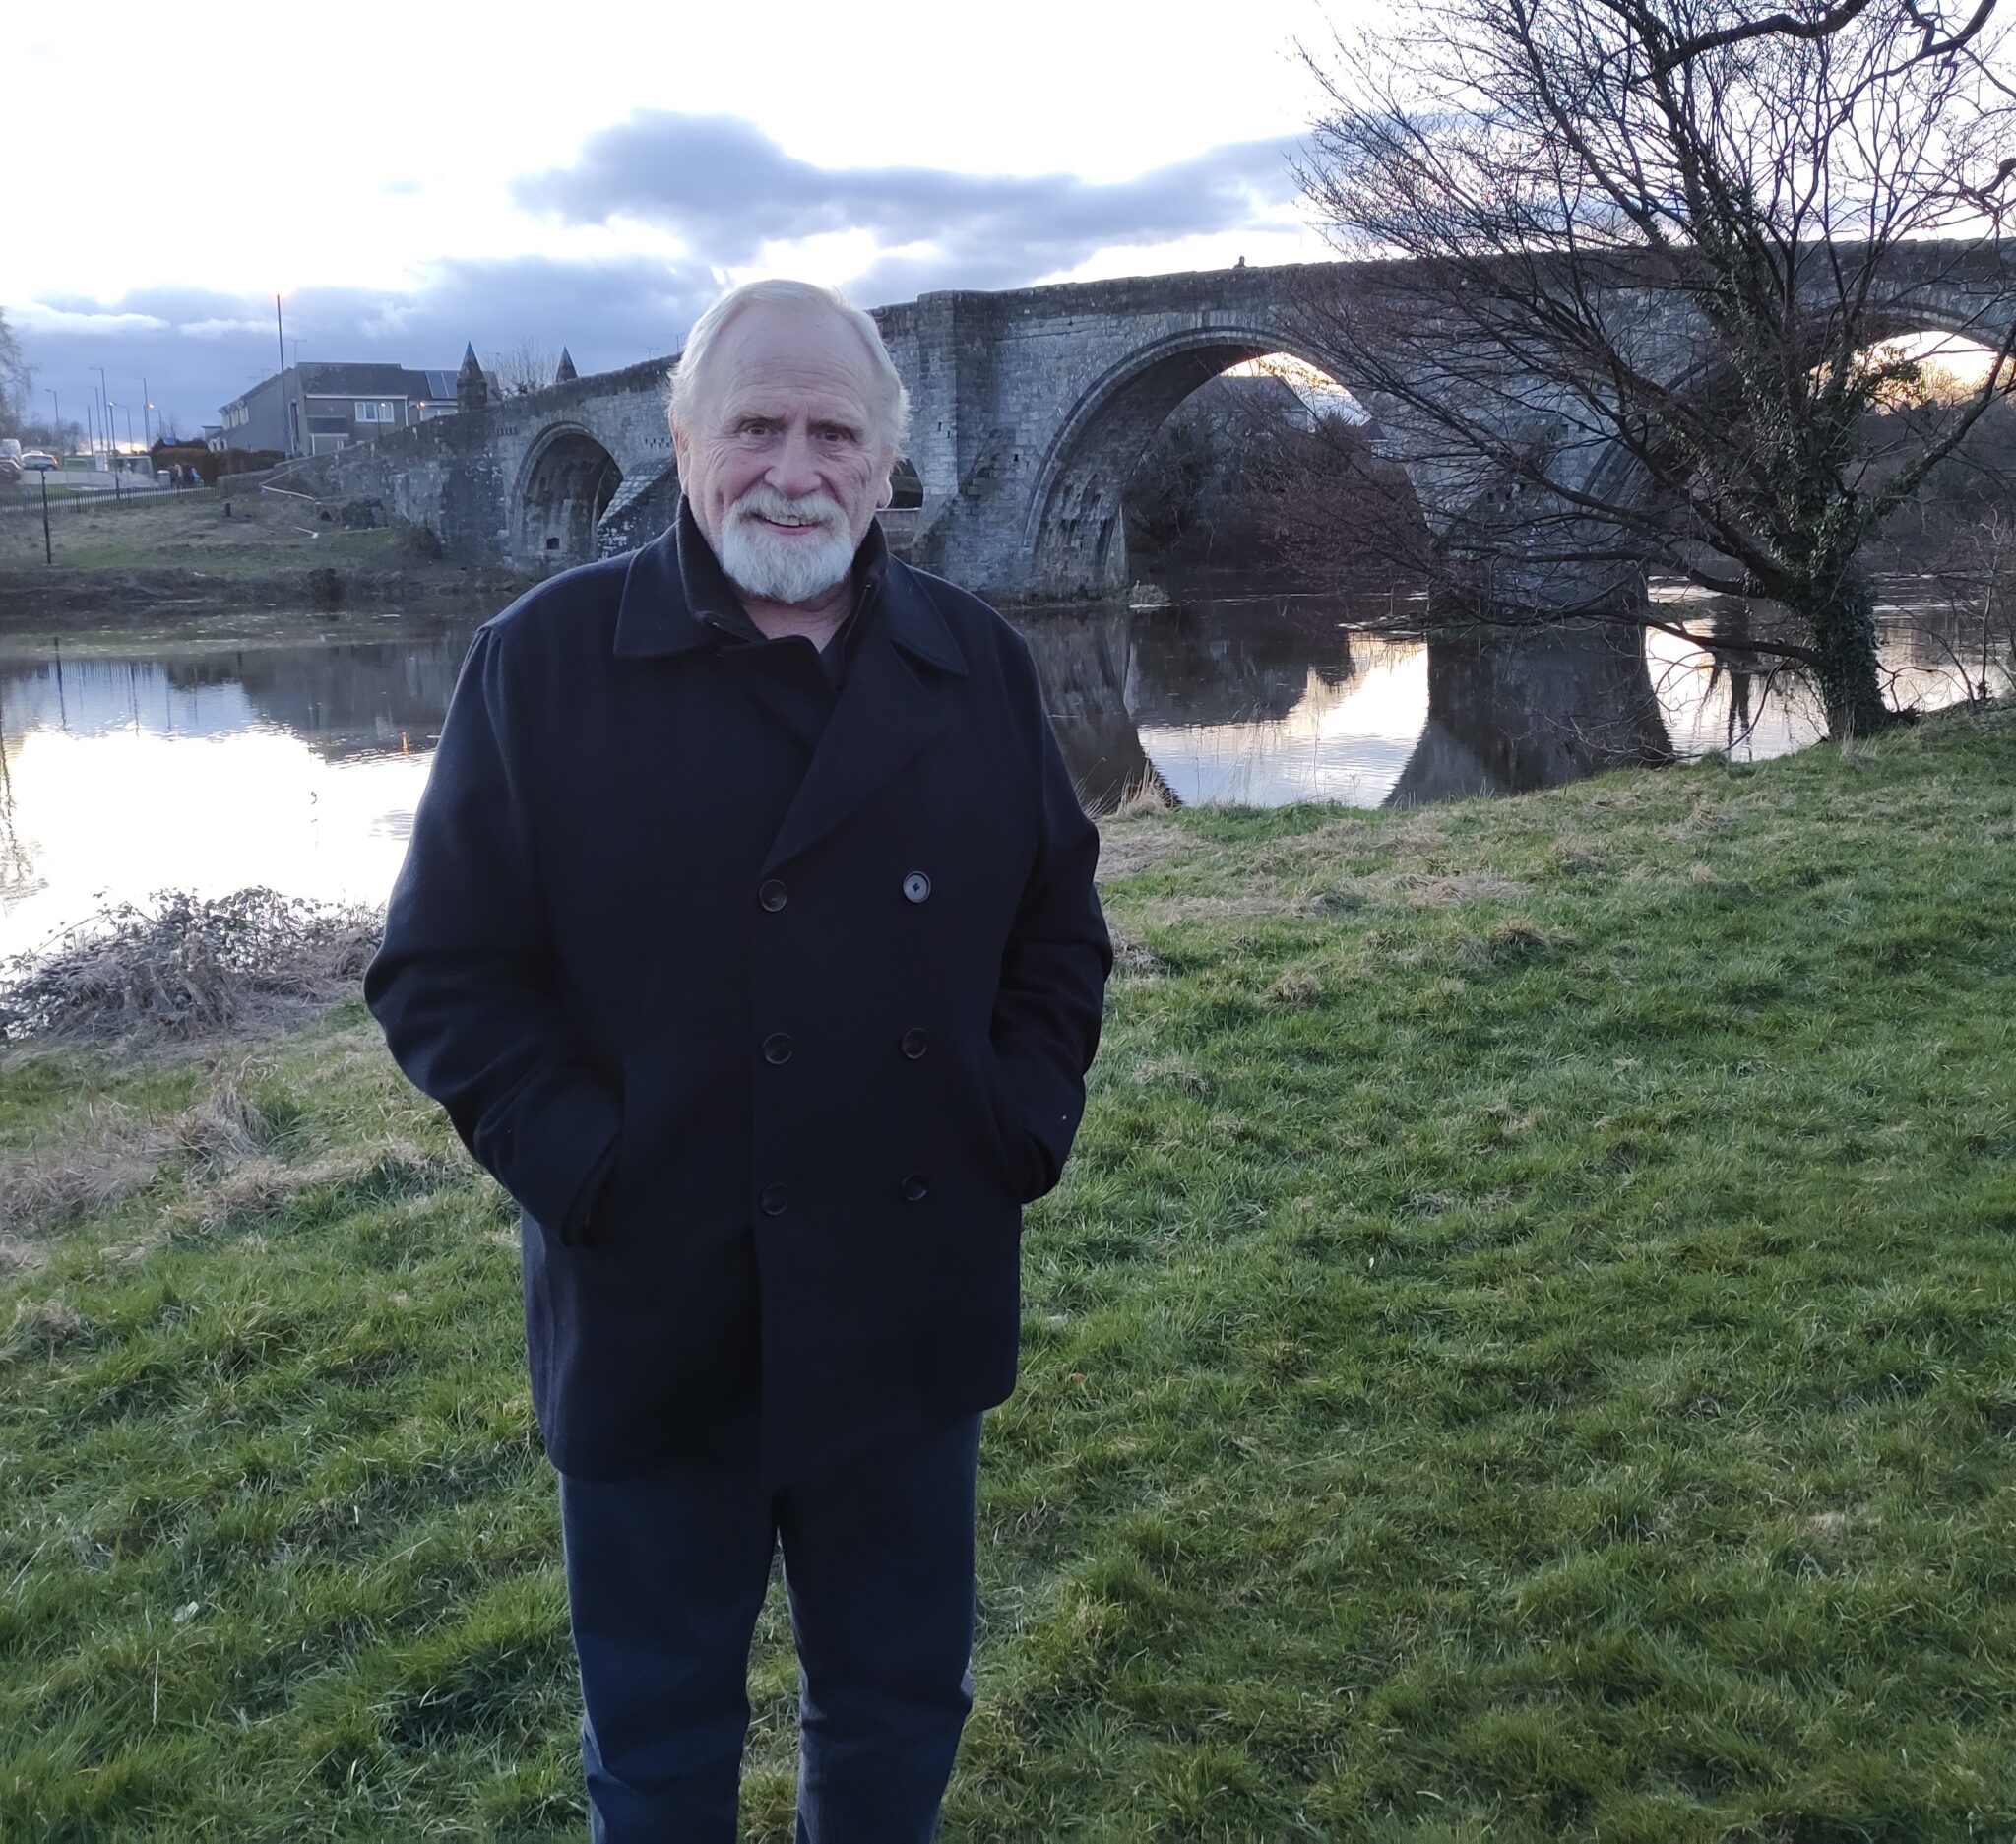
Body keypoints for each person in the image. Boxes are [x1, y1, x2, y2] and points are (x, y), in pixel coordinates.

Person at [364, 278, 1112, 1841]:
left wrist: (1018, 1123)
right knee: (654, 1745)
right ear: (684, 441)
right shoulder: (545, 662)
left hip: (908, 1308)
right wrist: (590, 1166)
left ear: (887, 458)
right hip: (657, 1311)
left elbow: (1058, 938)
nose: (795, 466)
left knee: (899, 1711)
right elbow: (440, 970)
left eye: (833, 431)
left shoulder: (977, 668)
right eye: (756, 425)